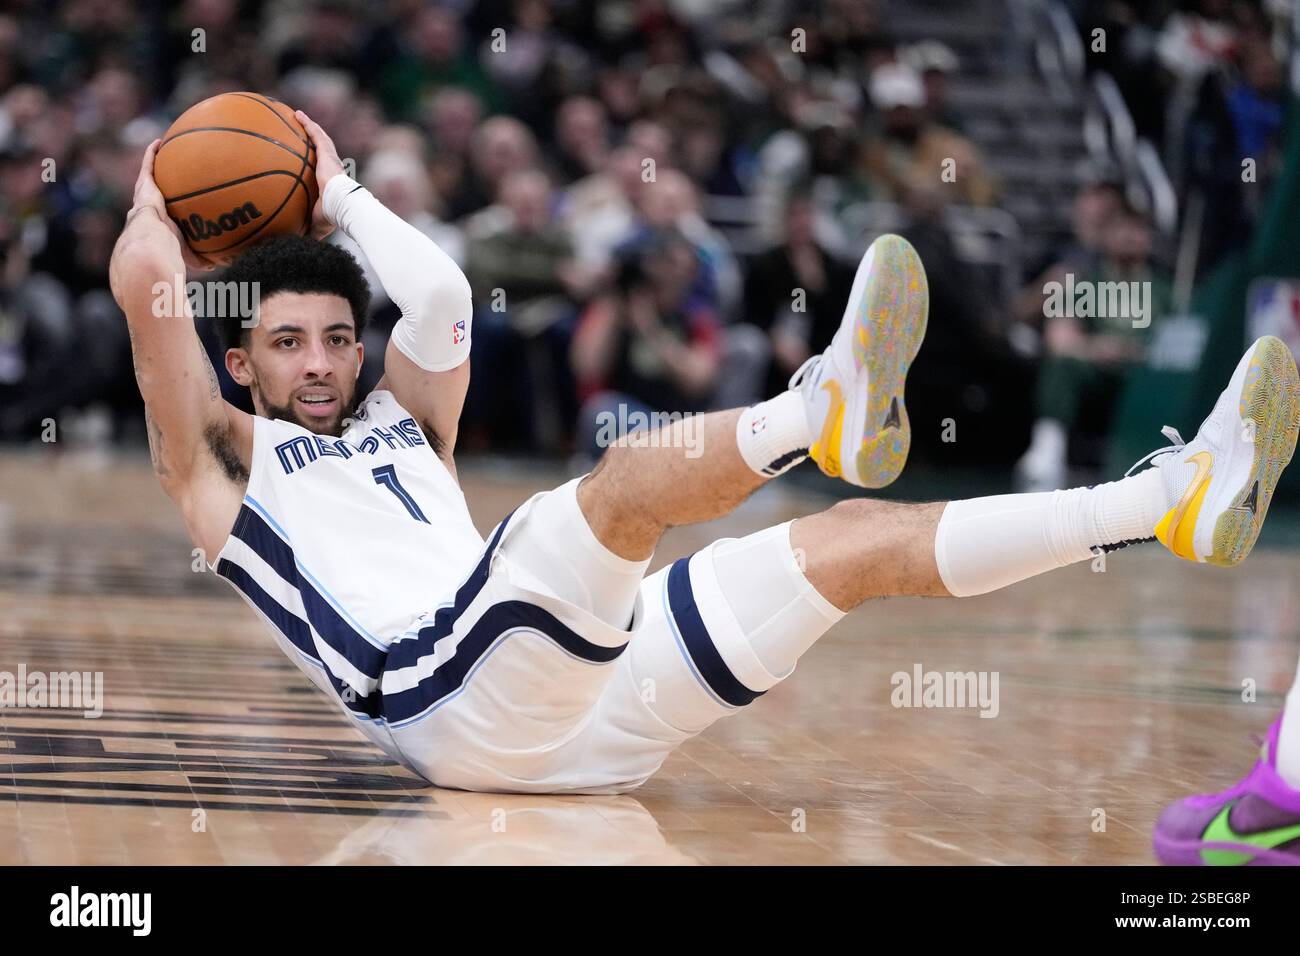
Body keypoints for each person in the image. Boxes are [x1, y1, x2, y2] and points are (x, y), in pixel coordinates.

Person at [109, 117, 1300, 869]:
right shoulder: (219, 466)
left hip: (586, 719)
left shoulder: (405, 420)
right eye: (287, 345)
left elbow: (441, 303)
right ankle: (811, 411)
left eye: (332, 338)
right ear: (240, 363)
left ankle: (1167, 500)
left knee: (850, 540)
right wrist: (155, 202)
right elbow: (147, 287)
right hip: (441, 701)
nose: (317, 361)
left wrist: (341, 193)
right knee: (617, 489)